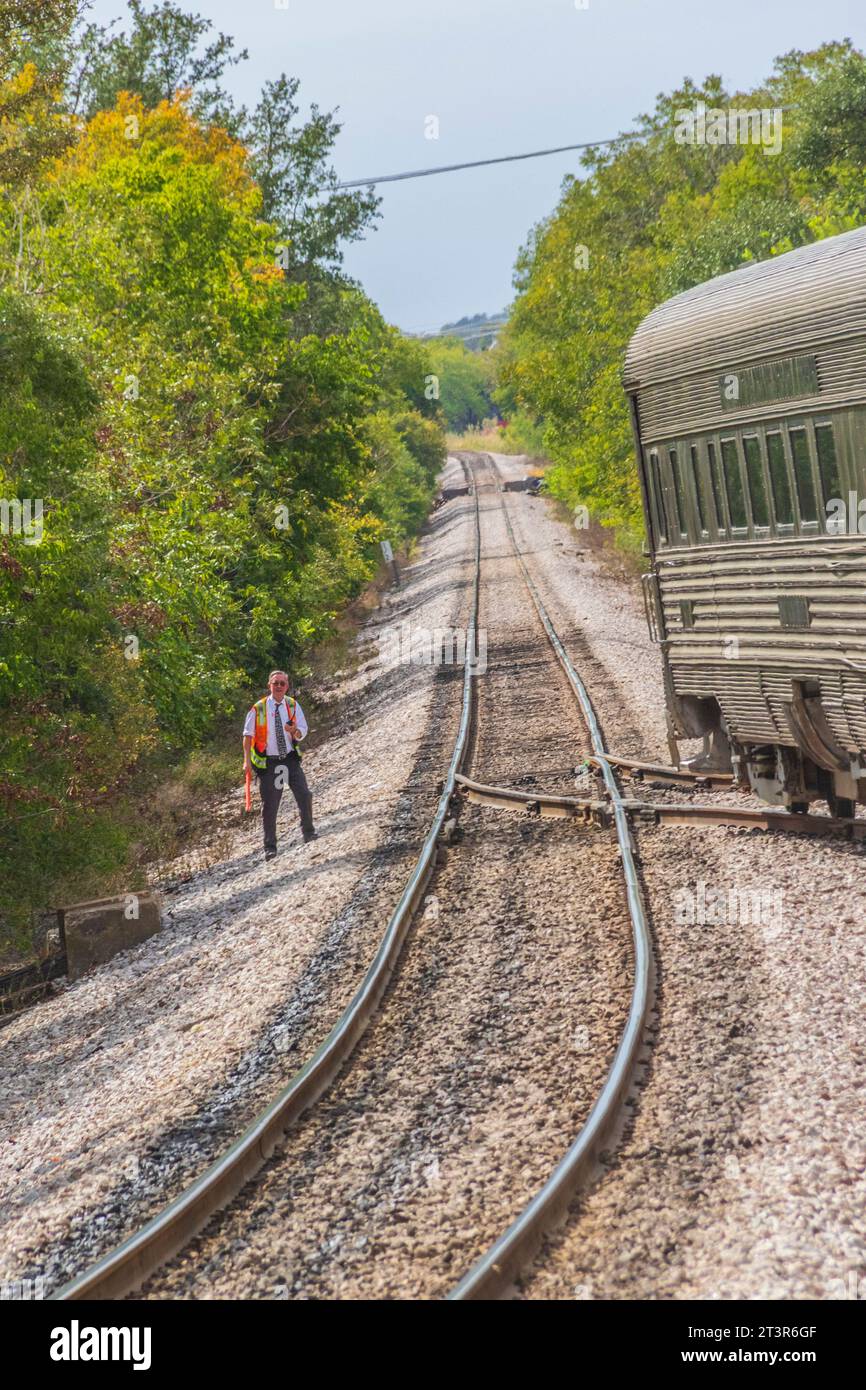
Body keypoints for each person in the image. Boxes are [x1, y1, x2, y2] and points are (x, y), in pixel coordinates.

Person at [243, 671, 317, 860]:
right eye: (275, 683)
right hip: (269, 763)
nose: (278, 686)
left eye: (282, 683)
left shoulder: (292, 705)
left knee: (304, 794)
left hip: (290, 759)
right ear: (269, 684)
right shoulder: (258, 709)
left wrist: (295, 732)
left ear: (287, 686)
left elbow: (303, 730)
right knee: (271, 804)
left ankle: (309, 832)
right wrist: (247, 762)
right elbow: (247, 736)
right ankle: (270, 847)